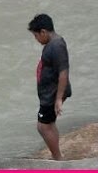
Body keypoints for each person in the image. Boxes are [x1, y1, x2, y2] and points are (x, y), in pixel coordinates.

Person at [27, 13, 72, 161]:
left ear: (43, 32)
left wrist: (58, 99)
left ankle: (58, 158)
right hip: (50, 92)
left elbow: (63, 73)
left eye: (36, 36)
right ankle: (58, 155)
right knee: (49, 124)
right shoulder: (53, 43)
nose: (36, 39)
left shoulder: (56, 46)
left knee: (44, 127)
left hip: (52, 94)